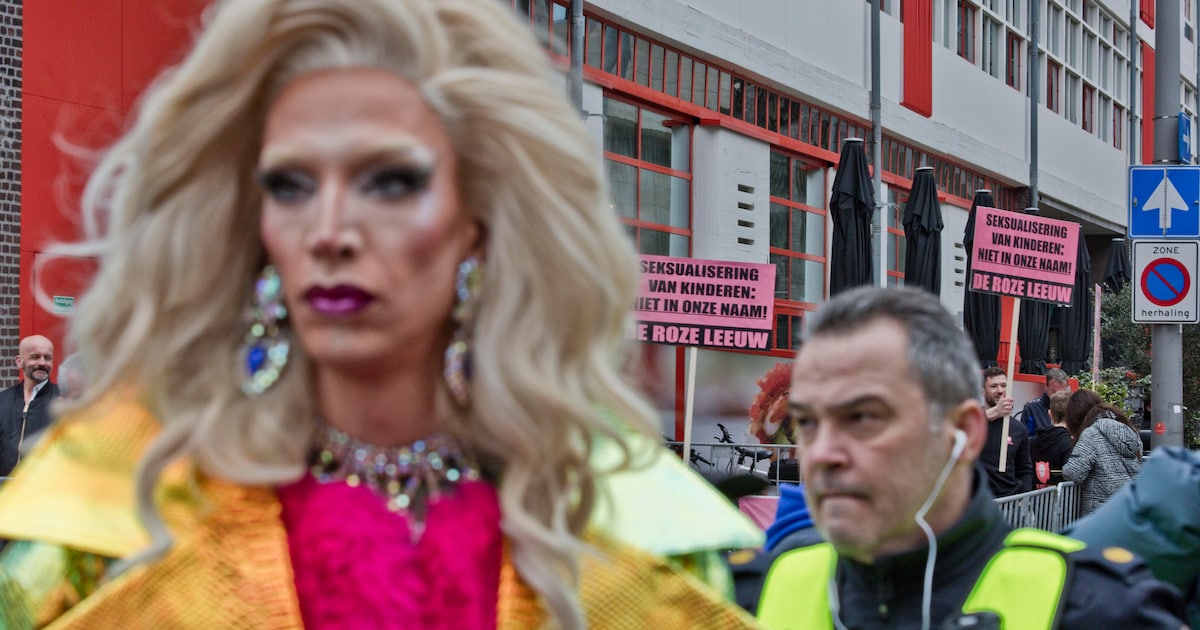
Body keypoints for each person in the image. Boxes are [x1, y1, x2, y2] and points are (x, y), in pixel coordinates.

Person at [0, 1, 760, 627]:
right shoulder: (117, 521)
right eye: (291, 185)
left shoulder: (632, 533)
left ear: (478, 219)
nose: (331, 231)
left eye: (389, 182)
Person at [755, 286, 1186, 629]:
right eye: (808, 424)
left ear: (961, 433)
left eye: (864, 418)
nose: (824, 453)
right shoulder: (752, 592)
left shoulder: (1097, 606)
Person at [1063, 390, 1143, 516]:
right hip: (1132, 508)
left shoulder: (1091, 433)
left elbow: (1073, 473)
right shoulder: (1128, 429)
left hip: (1102, 513)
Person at [0, 335, 59, 477]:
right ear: (19, 362)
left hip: (44, 491)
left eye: (47, 357)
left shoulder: (63, 401)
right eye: (35, 357)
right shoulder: (3, 400)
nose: (42, 362)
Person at [978, 366, 1033, 497]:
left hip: (1009, 502)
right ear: (982, 391)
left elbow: (1025, 469)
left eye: (1003, 385)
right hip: (978, 501)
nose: (1000, 390)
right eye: (993, 386)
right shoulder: (973, 419)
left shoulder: (1018, 429)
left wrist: (1023, 497)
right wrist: (995, 412)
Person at [1030, 389, 1073, 488]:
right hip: (1061, 501)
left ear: (1050, 413)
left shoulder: (1033, 441)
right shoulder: (1070, 443)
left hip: (1035, 499)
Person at [1021, 367, 1069, 438]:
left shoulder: (1071, 409)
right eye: (1054, 392)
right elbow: (1025, 438)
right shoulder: (1031, 408)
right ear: (1046, 386)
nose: (1058, 396)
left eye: (1062, 392)